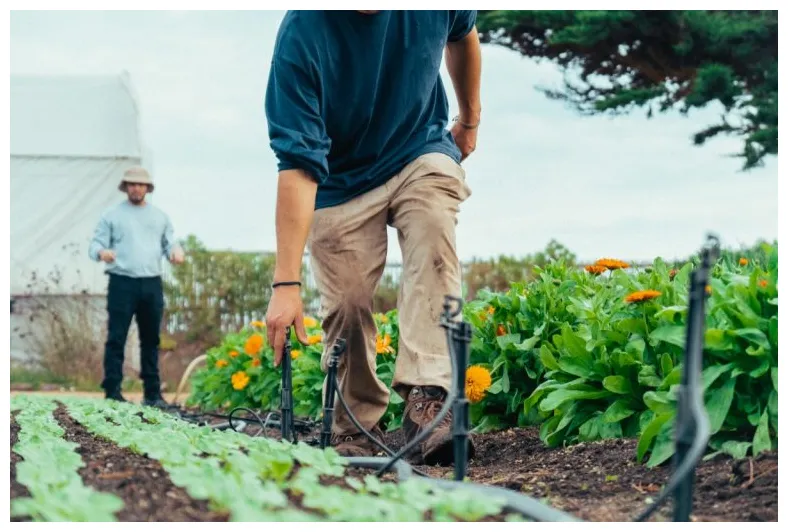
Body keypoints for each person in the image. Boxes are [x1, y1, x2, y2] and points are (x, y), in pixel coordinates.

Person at [263, 10, 481, 465]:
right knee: (348, 301)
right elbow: (299, 165)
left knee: (434, 231)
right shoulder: (302, 36)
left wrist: (470, 119)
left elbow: (463, 34)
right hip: (338, 179)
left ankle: (433, 401)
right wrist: (285, 284)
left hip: (419, 148)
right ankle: (356, 421)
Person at [88, 166, 185, 407]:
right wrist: (102, 252)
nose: (136, 188)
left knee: (151, 339)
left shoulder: (160, 217)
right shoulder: (111, 216)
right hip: (122, 282)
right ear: (126, 187)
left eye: (141, 184)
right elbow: (95, 245)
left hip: (151, 283)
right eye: (132, 184)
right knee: (116, 337)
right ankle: (112, 391)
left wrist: (175, 250)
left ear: (147, 188)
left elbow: (170, 243)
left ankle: (152, 394)